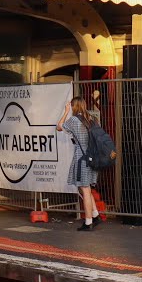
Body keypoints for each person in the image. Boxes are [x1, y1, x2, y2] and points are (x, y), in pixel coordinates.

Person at [59, 96, 100, 230]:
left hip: (81, 157)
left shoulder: (74, 120)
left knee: (85, 189)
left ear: (74, 106)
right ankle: (95, 215)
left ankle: (88, 223)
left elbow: (59, 127)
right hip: (92, 158)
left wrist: (65, 112)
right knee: (85, 187)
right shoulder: (92, 119)